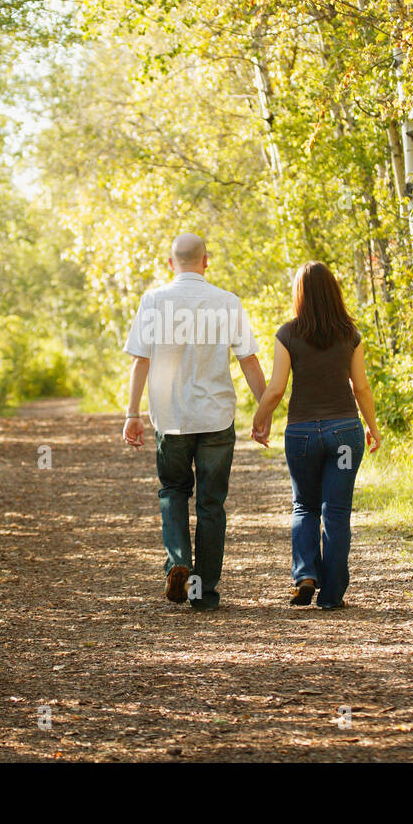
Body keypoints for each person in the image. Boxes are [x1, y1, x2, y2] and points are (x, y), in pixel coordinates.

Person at [122, 233, 265, 610]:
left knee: (173, 492)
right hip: (216, 418)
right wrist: (265, 410)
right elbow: (248, 361)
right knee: (211, 504)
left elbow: (141, 360)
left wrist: (132, 414)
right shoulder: (228, 302)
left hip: (171, 419)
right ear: (207, 261)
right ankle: (204, 593)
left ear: (171, 263)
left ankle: (179, 560)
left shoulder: (153, 301)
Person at [252, 262, 380, 609]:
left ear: (300, 295)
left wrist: (259, 419)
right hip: (344, 432)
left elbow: (277, 389)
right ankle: (333, 595)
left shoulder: (288, 334)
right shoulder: (349, 334)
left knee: (305, 506)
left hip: (303, 434)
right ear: (334, 293)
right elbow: (362, 387)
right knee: (336, 511)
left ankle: (305, 574)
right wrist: (372, 425)